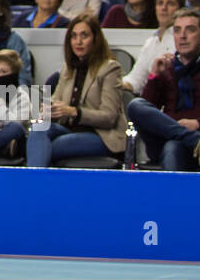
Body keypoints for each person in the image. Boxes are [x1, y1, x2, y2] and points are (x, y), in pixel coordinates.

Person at [127, 9, 200, 170]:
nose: (183, 36)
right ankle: (196, 142)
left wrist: (197, 123)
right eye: (177, 30)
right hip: (166, 137)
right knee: (135, 105)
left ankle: (174, 192)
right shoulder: (167, 68)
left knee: (173, 146)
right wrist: (154, 76)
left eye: (190, 29)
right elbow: (147, 112)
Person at [27, 15, 127, 167]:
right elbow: (56, 99)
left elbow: (110, 117)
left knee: (46, 148)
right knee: (38, 129)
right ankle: (37, 184)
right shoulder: (68, 68)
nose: (78, 42)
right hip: (70, 131)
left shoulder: (110, 68)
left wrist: (74, 112)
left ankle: (34, 187)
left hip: (101, 135)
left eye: (84, 35)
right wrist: (48, 109)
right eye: (74, 36)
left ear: (95, 39)